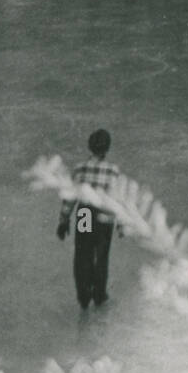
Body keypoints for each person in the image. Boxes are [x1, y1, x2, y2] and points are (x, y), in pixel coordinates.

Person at [56, 128, 123, 311]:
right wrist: (122, 224)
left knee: (82, 254)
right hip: (104, 215)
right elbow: (117, 199)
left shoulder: (79, 168)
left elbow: (69, 197)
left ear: (89, 147)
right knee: (101, 256)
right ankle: (99, 295)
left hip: (85, 212)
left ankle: (83, 295)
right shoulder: (112, 170)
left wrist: (63, 221)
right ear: (107, 148)